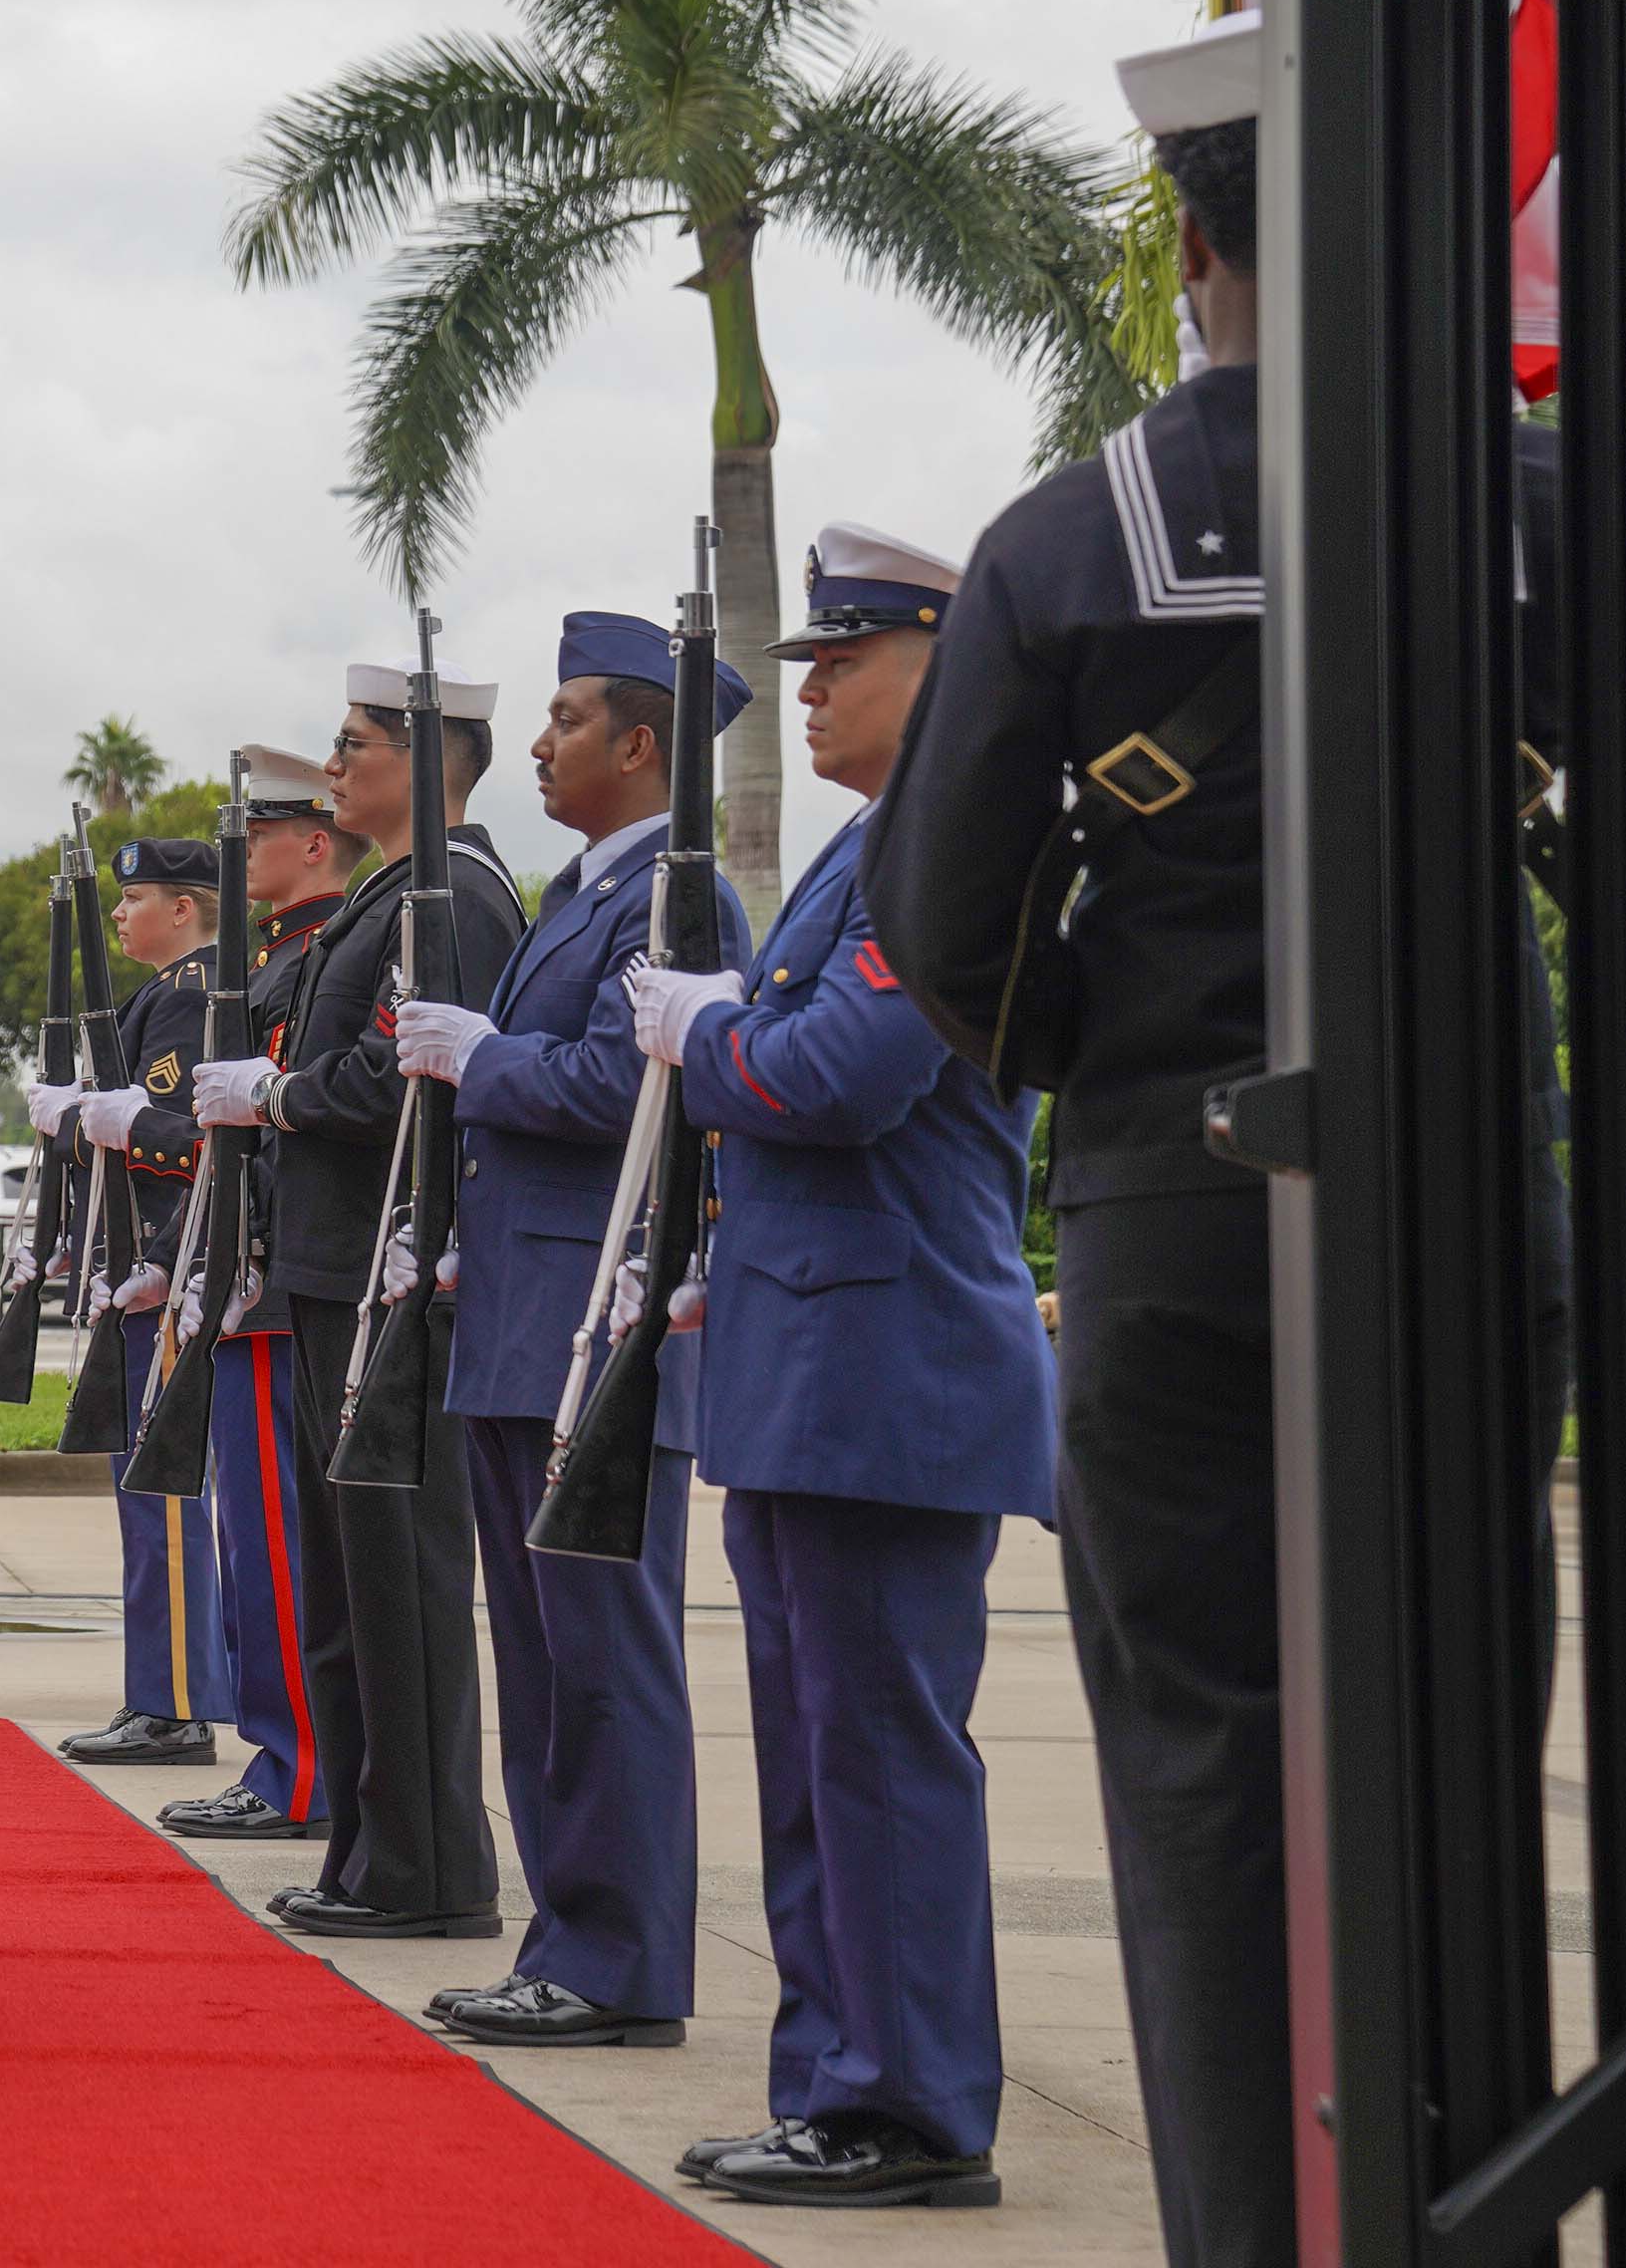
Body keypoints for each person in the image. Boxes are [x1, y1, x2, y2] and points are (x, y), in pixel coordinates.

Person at [866, 14, 1287, 2264]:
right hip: (1465, 1196)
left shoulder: (1063, 541)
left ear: (1185, 237)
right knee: (1452, 1698)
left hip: (1176, 1201)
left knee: (1205, 1767)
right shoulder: (1520, 491)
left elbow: (944, 927)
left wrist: (1096, 1066)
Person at [638, 526, 1050, 2211]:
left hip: (887, 1371)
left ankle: (909, 2101)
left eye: (842, 660)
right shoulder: (873, 845)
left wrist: (700, 1034)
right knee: (820, 1749)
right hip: (814, 1359)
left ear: (941, 662)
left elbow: (842, 1077)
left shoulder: (957, 842)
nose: (806, 692)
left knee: (875, 1751)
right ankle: (837, 2081)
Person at [390, 612, 754, 2052]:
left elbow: (637, 1085)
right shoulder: (577, 893)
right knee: (544, 1659)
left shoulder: (681, 897)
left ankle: (617, 1962)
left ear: (640, 743)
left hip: (595, 1333)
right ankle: (571, 1940)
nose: (536, 747)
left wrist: (490, 1059)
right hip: (523, 1318)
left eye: (563, 721)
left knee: (601, 1659)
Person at [193, 673, 522, 1942]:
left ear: (430, 758)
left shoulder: (458, 895)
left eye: (354, 744)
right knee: (344, 1590)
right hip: (331, 1275)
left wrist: (276, 1099)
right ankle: (368, 1851)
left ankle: (430, 1870)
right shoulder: (387, 898)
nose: (335, 767)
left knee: (401, 1585)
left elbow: (413, 1072)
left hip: (389, 1283)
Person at [123, 769, 352, 1850]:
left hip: (270, 1283)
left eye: (265, 832)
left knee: (273, 1541)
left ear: (315, 842)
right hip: (245, 1274)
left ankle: (298, 1767)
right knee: (251, 1542)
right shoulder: (277, 956)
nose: (245, 850)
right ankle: (286, 1753)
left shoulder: (314, 952)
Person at [35, 840, 231, 1772]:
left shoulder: (191, 995)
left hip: (164, 1272)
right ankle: (161, 1691)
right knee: (143, 1498)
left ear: (187, 911)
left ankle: (177, 1702)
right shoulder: (168, 992)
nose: (120, 914)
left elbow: (187, 1144)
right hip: (139, 1271)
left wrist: (86, 1122)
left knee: (162, 1499)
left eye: (138, 898)